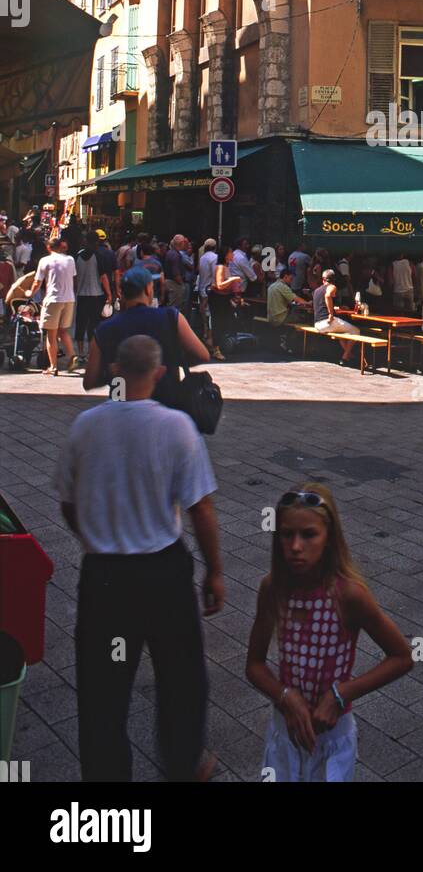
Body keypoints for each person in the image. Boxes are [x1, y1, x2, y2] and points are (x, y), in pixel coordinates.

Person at [58, 335, 222, 783]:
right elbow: (200, 508)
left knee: (103, 690)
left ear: (114, 370)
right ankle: (183, 761)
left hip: (105, 578)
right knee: (181, 675)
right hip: (162, 572)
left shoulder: (86, 426)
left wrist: (95, 536)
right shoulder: (176, 428)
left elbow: (69, 504)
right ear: (159, 372)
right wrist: (216, 571)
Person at [245, 484, 412, 782]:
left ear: (329, 538)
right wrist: (284, 696)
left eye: (309, 534)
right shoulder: (273, 588)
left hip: (333, 736)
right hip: (286, 733)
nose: (296, 546)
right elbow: (254, 664)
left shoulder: (348, 594)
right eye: (287, 534)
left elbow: (401, 656)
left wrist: (342, 694)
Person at [83, 265, 209, 407]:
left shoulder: (104, 329)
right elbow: (202, 355)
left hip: (121, 404)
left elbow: (89, 381)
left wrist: (112, 371)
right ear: (148, 289)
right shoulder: (171, 317)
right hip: (165, 402)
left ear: (122, 292)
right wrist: (172, 360)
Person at [32, 235, 77, 375]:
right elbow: (73, 277)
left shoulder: (45, 260)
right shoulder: (70, 259)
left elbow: (37, 282)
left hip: (53, 299)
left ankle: (53, 367)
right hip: (69, 299)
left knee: (51, 335)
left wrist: (30, 293)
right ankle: (72, 356)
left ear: (48, 247)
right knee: (63, 331)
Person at [74, 230, 112, 364]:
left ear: (85, 241)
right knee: (93, 324)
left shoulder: (77, 256)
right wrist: (109, 294)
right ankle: (91, 353)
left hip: (81, 295)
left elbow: (75, 277)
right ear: (97, 242)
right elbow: (103, 277)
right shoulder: (99, 256)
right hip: (96, 295)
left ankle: (80, 353)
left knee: (80, 323)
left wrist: (75, 290)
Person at [313, 269, 356, 366]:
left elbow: (322, 304)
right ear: (333, 279)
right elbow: (328, 296)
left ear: (323, 279)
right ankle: (345, 357)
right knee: (356, 331)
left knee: (341, 332)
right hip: (327, 322)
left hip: (317, 324)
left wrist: (336, 308)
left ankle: (349, 355)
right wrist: (331, 314)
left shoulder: (316, 290)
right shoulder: (332, 286)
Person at [208, 245, 244, 351]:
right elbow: (220, 285)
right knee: (218, 323)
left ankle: (217, 345)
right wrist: (233, 279)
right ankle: (216, 348)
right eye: (231, 252)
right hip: (217, 298)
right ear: (226, 255)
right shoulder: (220, 267)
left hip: (224, 298)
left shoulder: (226, 267)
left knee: (226, 322)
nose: (233, 255)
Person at [197, 238, 220, 356]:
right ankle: (209, 344)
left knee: (205, 319)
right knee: (210, 318)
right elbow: (215, 275)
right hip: (209, 290)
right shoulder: (214, 258)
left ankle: (205, 340)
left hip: (202, 288)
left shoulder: (202, 257)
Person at [267, 268, 309, 332]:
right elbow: (297, 299)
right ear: (285, 277)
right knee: (305, 318)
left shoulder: (271, 286)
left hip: (271, 318)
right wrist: (308, 303)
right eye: (291, 279)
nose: (291, 281)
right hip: (281, 318)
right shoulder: (283, 286)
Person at [163, 234, 190, 311]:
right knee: (175, 307)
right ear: (181, 243)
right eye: (184, 242)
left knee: (173, 306)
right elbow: (176, 273)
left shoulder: (171, 253)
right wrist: (181, 284)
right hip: (174, 284)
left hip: (171, 282)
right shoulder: (175, 255)